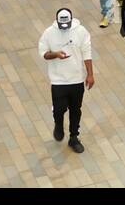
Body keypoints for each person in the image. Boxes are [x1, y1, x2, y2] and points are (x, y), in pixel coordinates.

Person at [39, 8, 93, 154]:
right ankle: (58, 123)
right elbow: (43, 53)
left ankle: (74, 137)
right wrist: (55, 54)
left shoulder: (81, 31)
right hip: (58, 81)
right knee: (59, 108)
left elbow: (87, 53)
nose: (64, 27)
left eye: (66, 25)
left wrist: (90, 75)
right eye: (61, 25)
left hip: (76, 79)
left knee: (76, 110)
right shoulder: (49, 33)